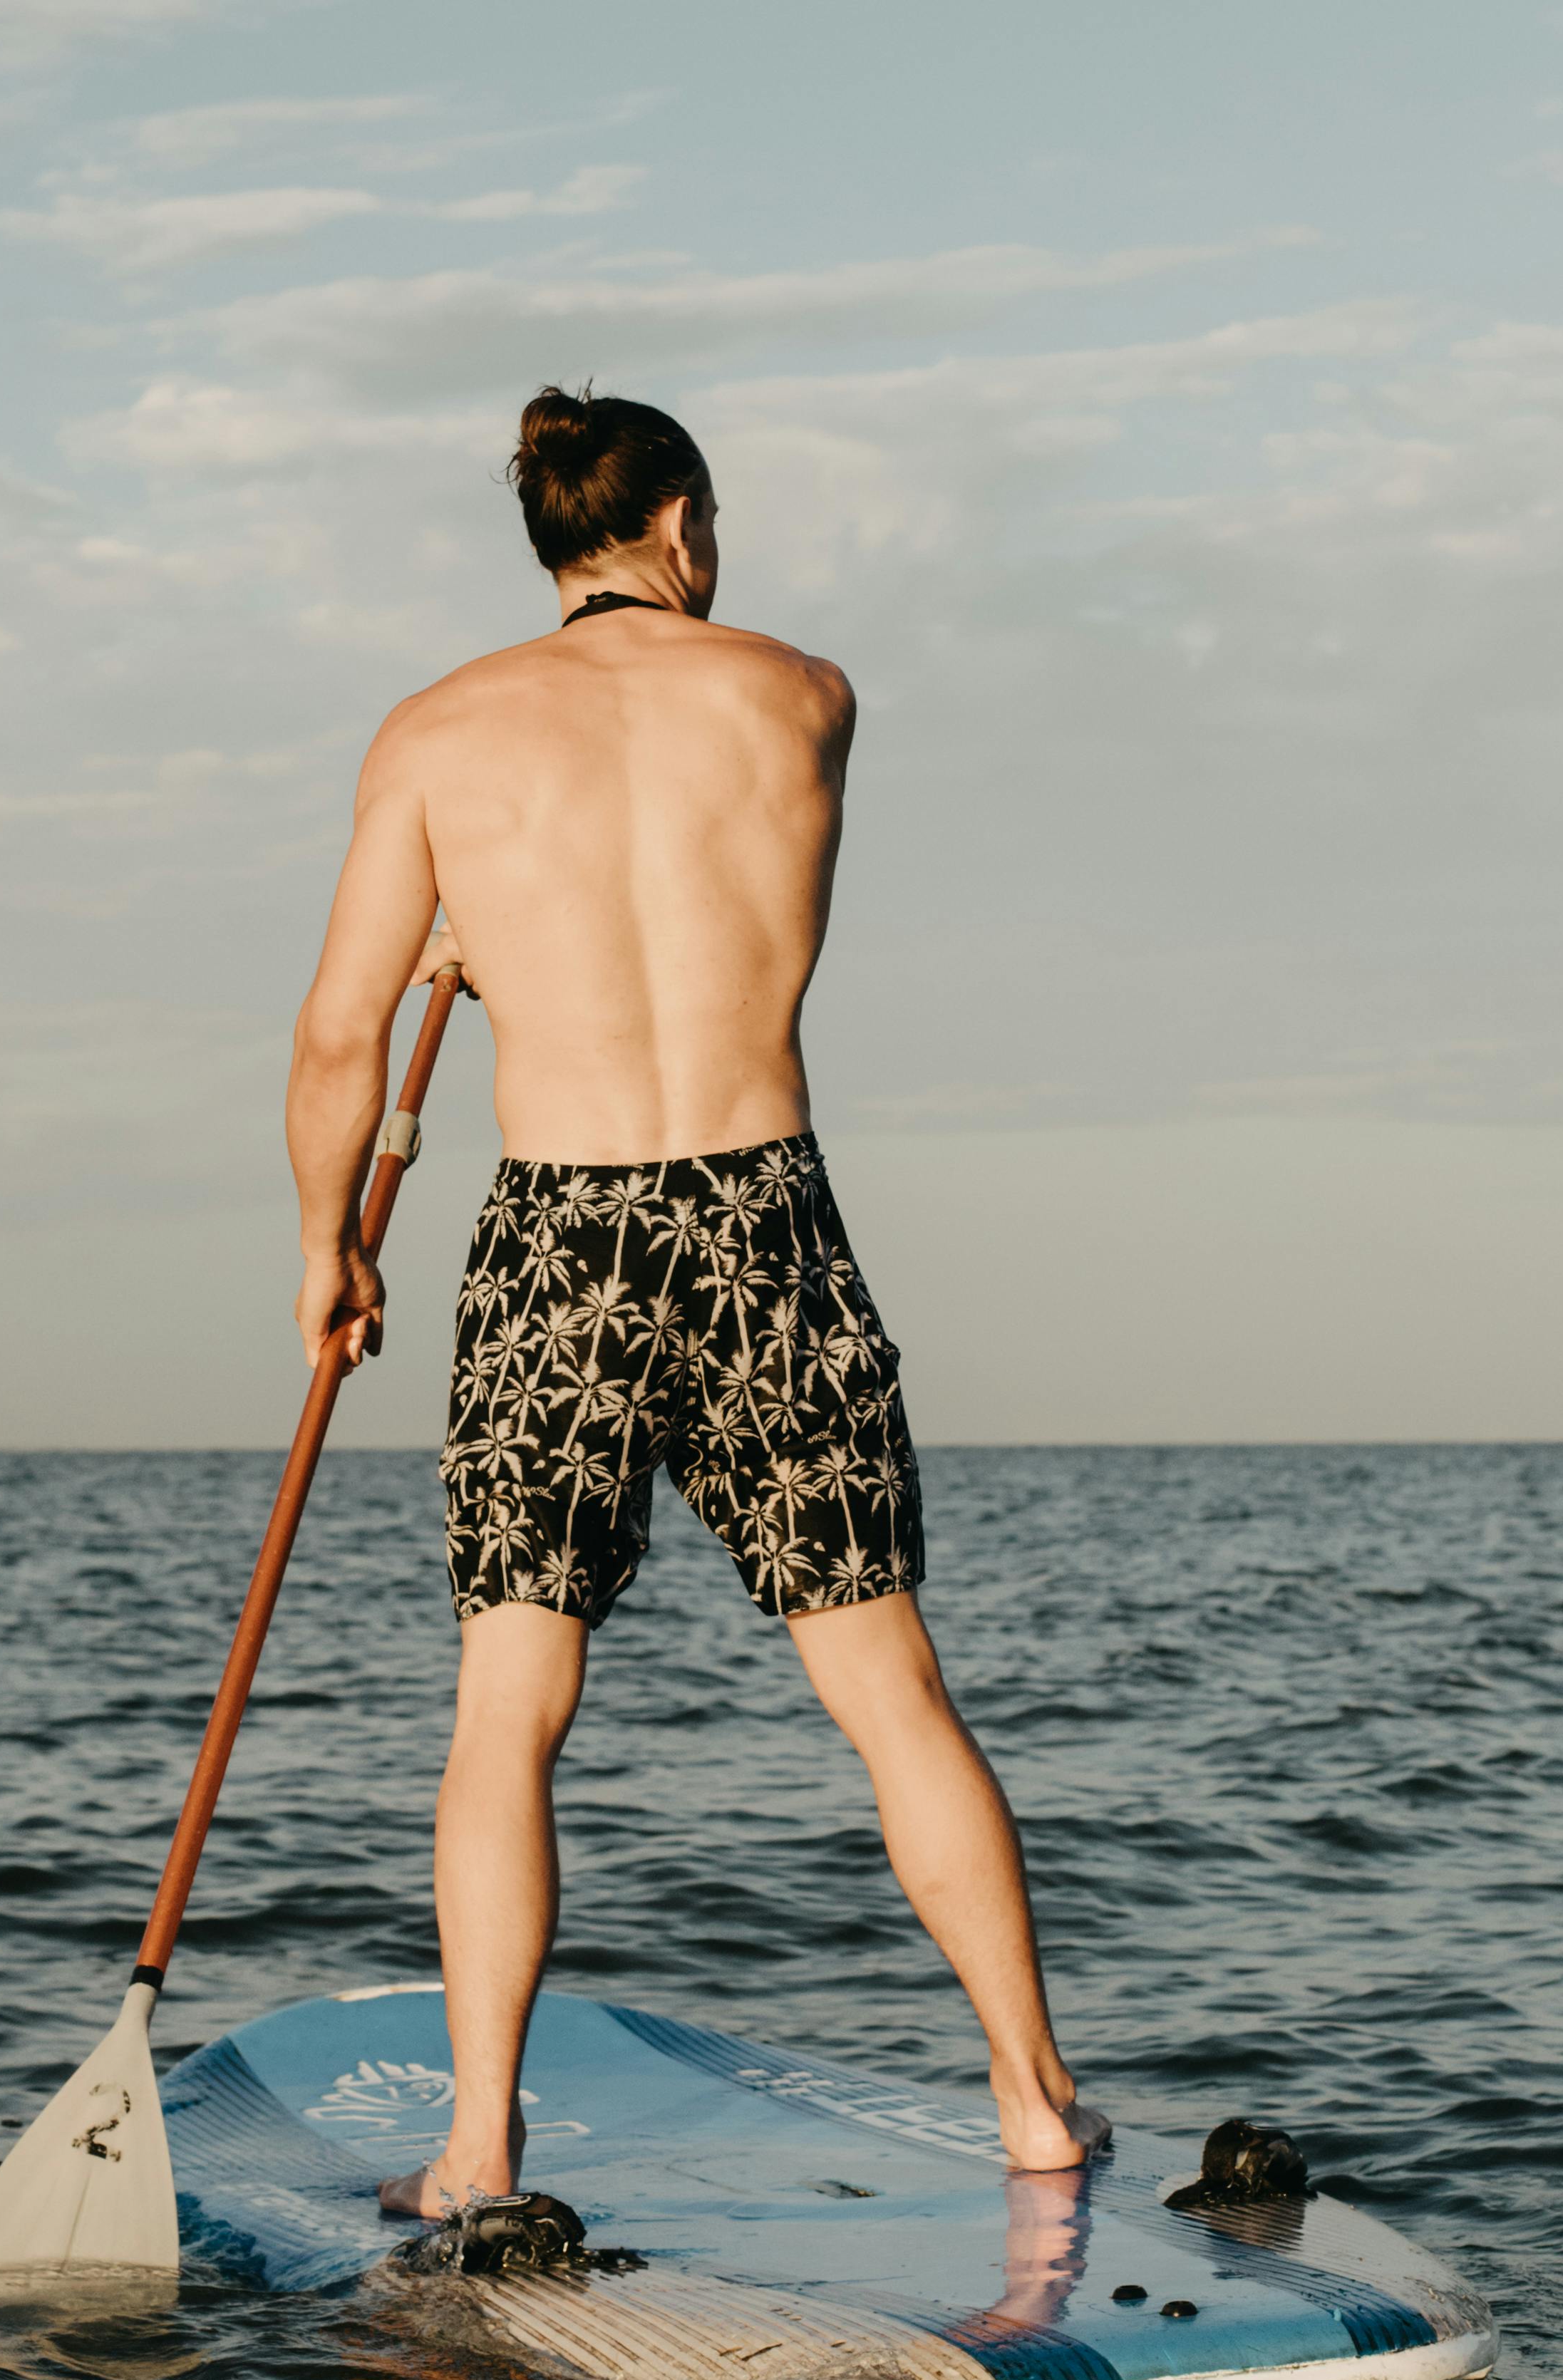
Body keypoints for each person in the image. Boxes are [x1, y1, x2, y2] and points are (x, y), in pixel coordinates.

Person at [285, 385, 1106, 2215]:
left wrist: (331, 1242)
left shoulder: (434, 733)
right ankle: (1036, 2100)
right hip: (764, 1214)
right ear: (682, 525)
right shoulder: (804, 692)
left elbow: (342, 1031)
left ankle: (480, 2144)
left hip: (560, 1233)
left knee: (512, 1700)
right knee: (889, 1684)